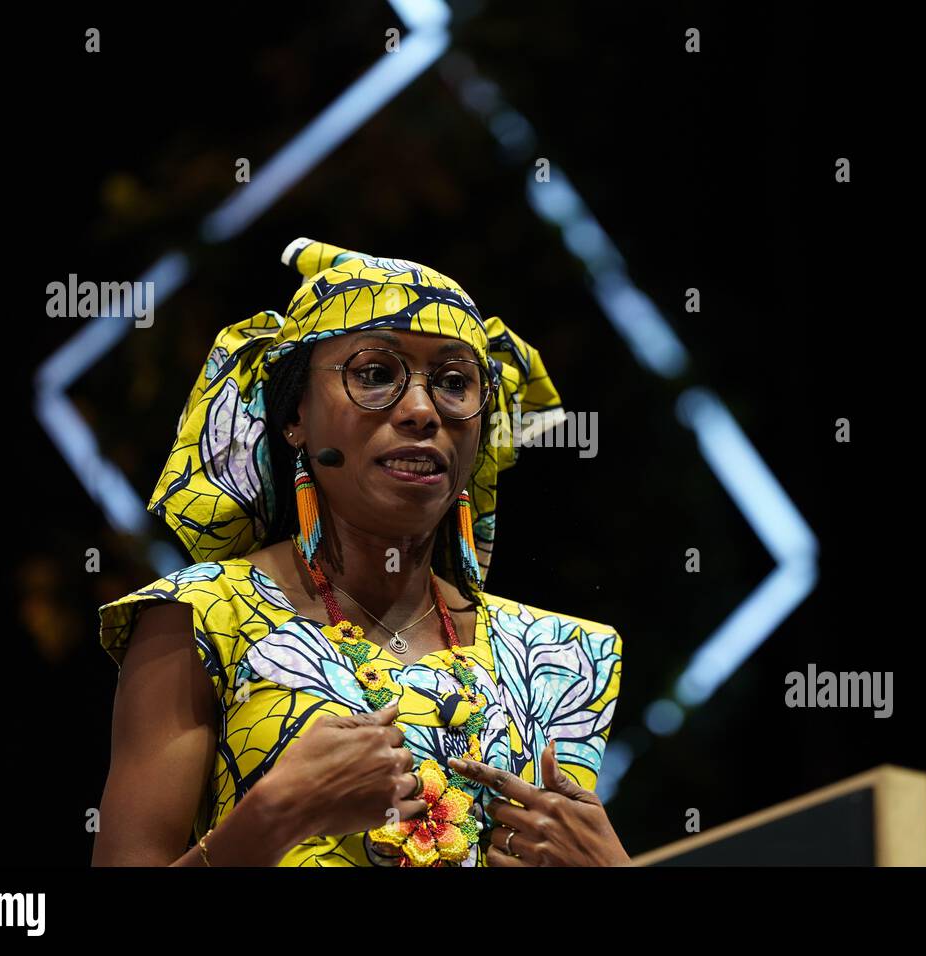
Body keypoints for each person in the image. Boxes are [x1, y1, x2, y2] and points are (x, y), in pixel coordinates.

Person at [93, 238, 627, 867]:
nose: (423, 411)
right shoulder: (204, 620)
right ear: (295, 414)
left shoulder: (559, 659)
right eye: (375, 375)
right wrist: (273, 816)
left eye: (456, 383)